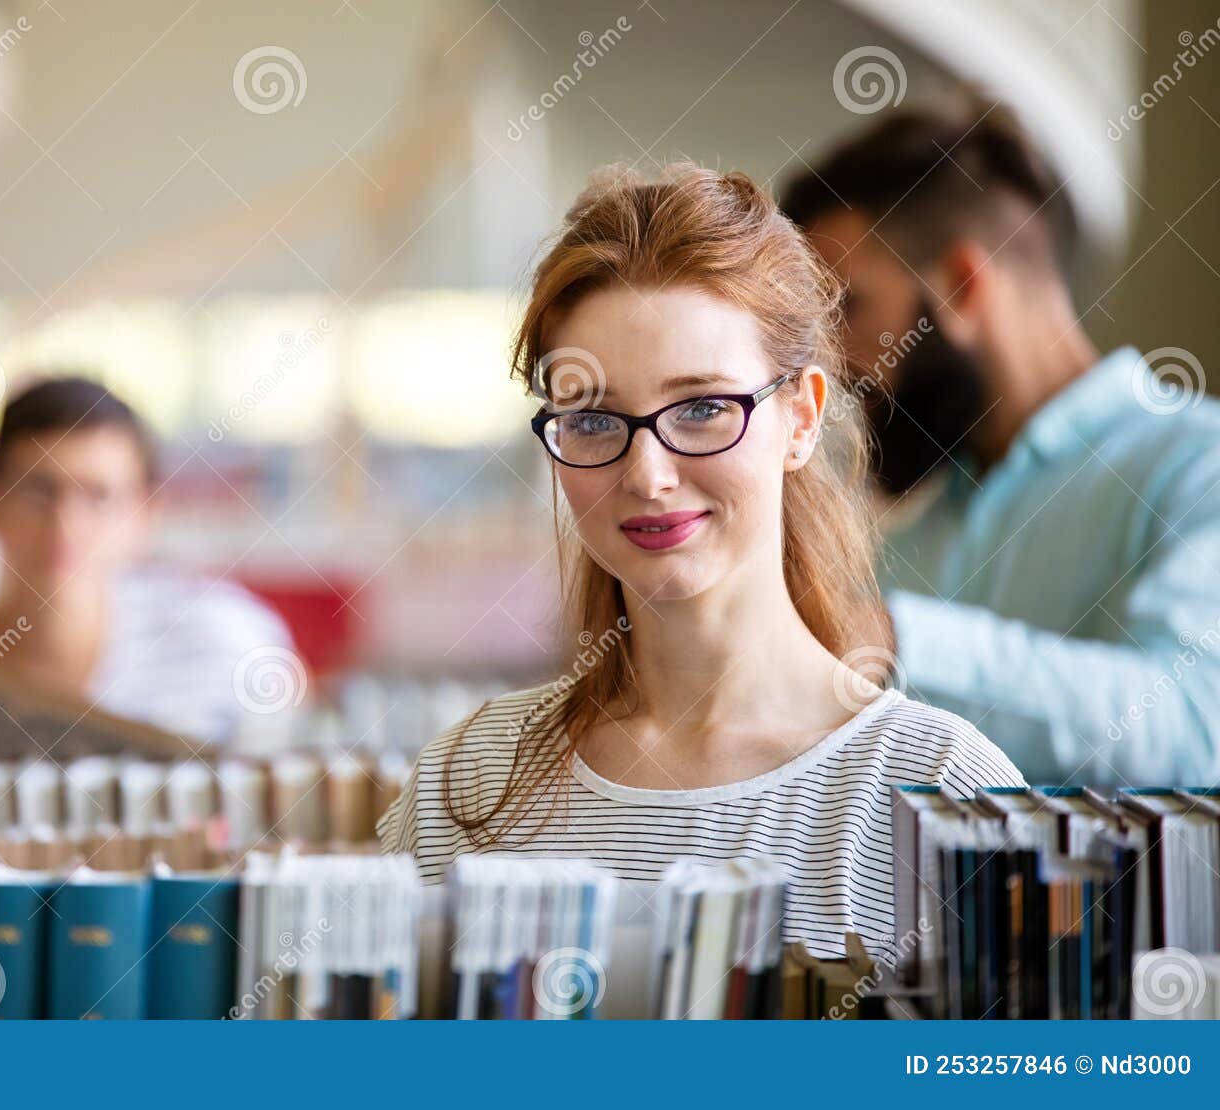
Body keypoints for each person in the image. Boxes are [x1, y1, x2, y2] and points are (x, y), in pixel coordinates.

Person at [378, 162, 1022, 958]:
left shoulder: (940, 789)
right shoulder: (468, 782)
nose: (647, 475)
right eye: (592, 420)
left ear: (801, 418)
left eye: (705, 408)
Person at [783, 104, 1220, 786]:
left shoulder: (1200, 465)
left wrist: (889, 642)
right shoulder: (919, 531)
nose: (834, 361)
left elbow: (1199, 728)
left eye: (848, 308)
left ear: (961, 284)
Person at [0, 375, 297, 747]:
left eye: (98, 496)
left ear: (146, 514)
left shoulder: (222, 639)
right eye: (37, 491)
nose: (65, 524)